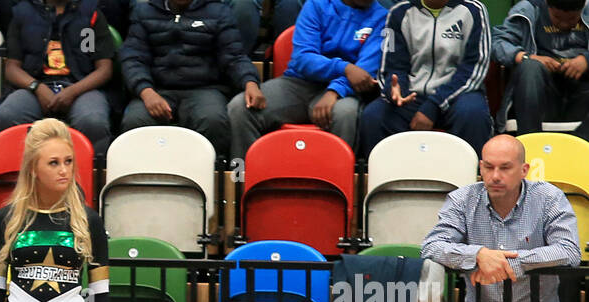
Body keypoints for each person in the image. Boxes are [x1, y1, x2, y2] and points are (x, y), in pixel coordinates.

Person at [421, 134, 583, 302]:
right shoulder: (462, 200)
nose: (495, 175)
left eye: (505, 167)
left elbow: (569, 251)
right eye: (488, 167)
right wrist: (478, 255)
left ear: (524, 170)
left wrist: (510, 264)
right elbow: (430, 246)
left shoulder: (549, 198)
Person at [0, 119, 110, 302]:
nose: (64, 170)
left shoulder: (90, 221)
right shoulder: (7, 218)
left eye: (68, 161)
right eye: (54, 163)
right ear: (33, 168)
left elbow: (99, 292)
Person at [226, 0, 387, 162]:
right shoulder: (317, 5)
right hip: (299, 83)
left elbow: (364, 72)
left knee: (345, 114)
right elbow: (303, 57)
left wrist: (335, 91)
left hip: (345, 89)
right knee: (240, 107)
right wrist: (345, 68)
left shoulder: (381, 17)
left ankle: (336, 183)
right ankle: (242, 181)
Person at [119, 0, 263, 158]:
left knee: (213, 120)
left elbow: (234, 57)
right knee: (135, 121)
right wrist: (146, 92)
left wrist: (250, 82)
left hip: (205, 89)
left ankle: (214, 177)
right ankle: (138, 178)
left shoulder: (218, 12)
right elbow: (133, 58)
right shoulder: (144, 11)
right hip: (156, 89)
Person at [360, 0, 491, 158]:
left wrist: (434, 105)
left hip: (458, 94)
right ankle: (383, 180)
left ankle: (473, 179)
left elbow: (474, 67)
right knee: (374, 116)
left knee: (472, 113)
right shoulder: (399, 13)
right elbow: (392, 66)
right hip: (413, 95)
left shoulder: (473, 10)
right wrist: (394, 90)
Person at [0, 0, 118, 154]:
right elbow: (11, 68)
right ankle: (16, 176)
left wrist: (73, 91)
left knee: (92, 121)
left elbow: (104, 69)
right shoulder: (23, 12)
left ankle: (89, 176)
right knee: (7, 116)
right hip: (34, 88)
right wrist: (37, 87)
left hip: (82, 88)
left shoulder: (90, 13)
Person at [493, 0, 589, 137]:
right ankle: (531, 142)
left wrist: (586, 60)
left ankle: (580, 144)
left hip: (582, 92)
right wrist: (527, 57)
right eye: (557, 18)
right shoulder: (528, 10)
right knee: (530, 67)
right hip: (540, 90)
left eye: (572, 19)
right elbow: (497, 43)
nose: (564, 24)